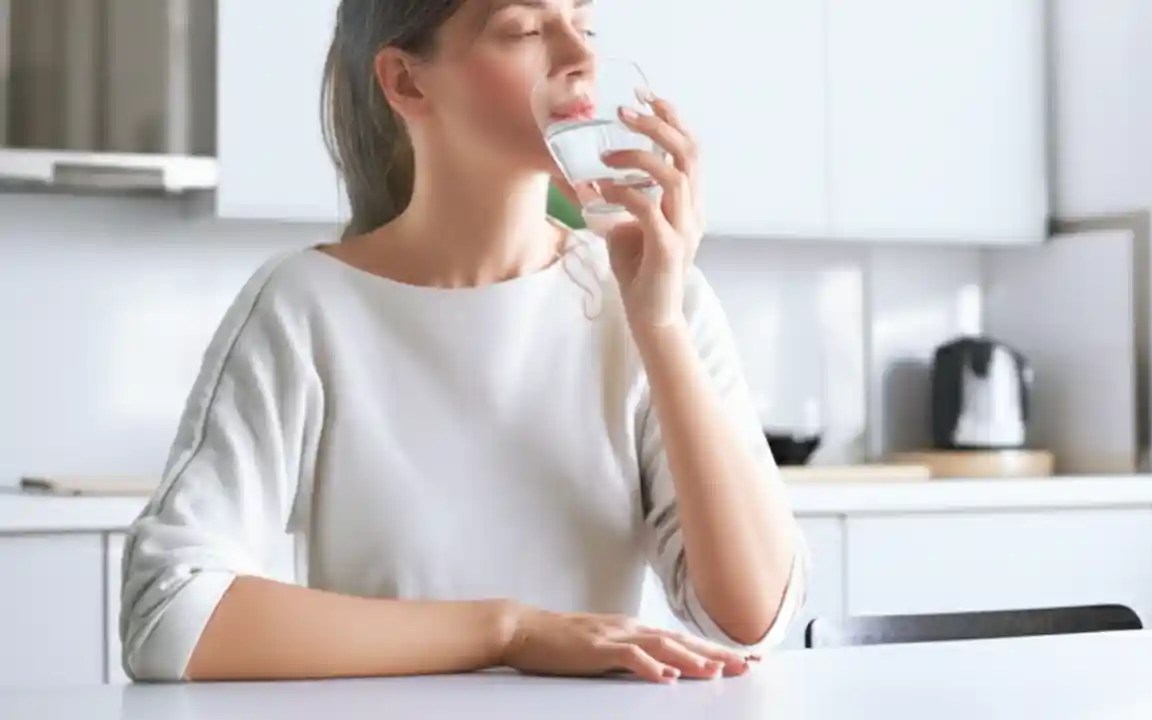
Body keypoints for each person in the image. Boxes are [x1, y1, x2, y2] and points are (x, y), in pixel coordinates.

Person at [120, 0, 806, 684]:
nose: (581, 57)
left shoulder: (655, 294)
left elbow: (751, 620)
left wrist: (660, 327)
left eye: (582, 23)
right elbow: (169, 615)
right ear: (406, 82)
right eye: (525, 29)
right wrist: (508, 632)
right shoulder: (304, 308)